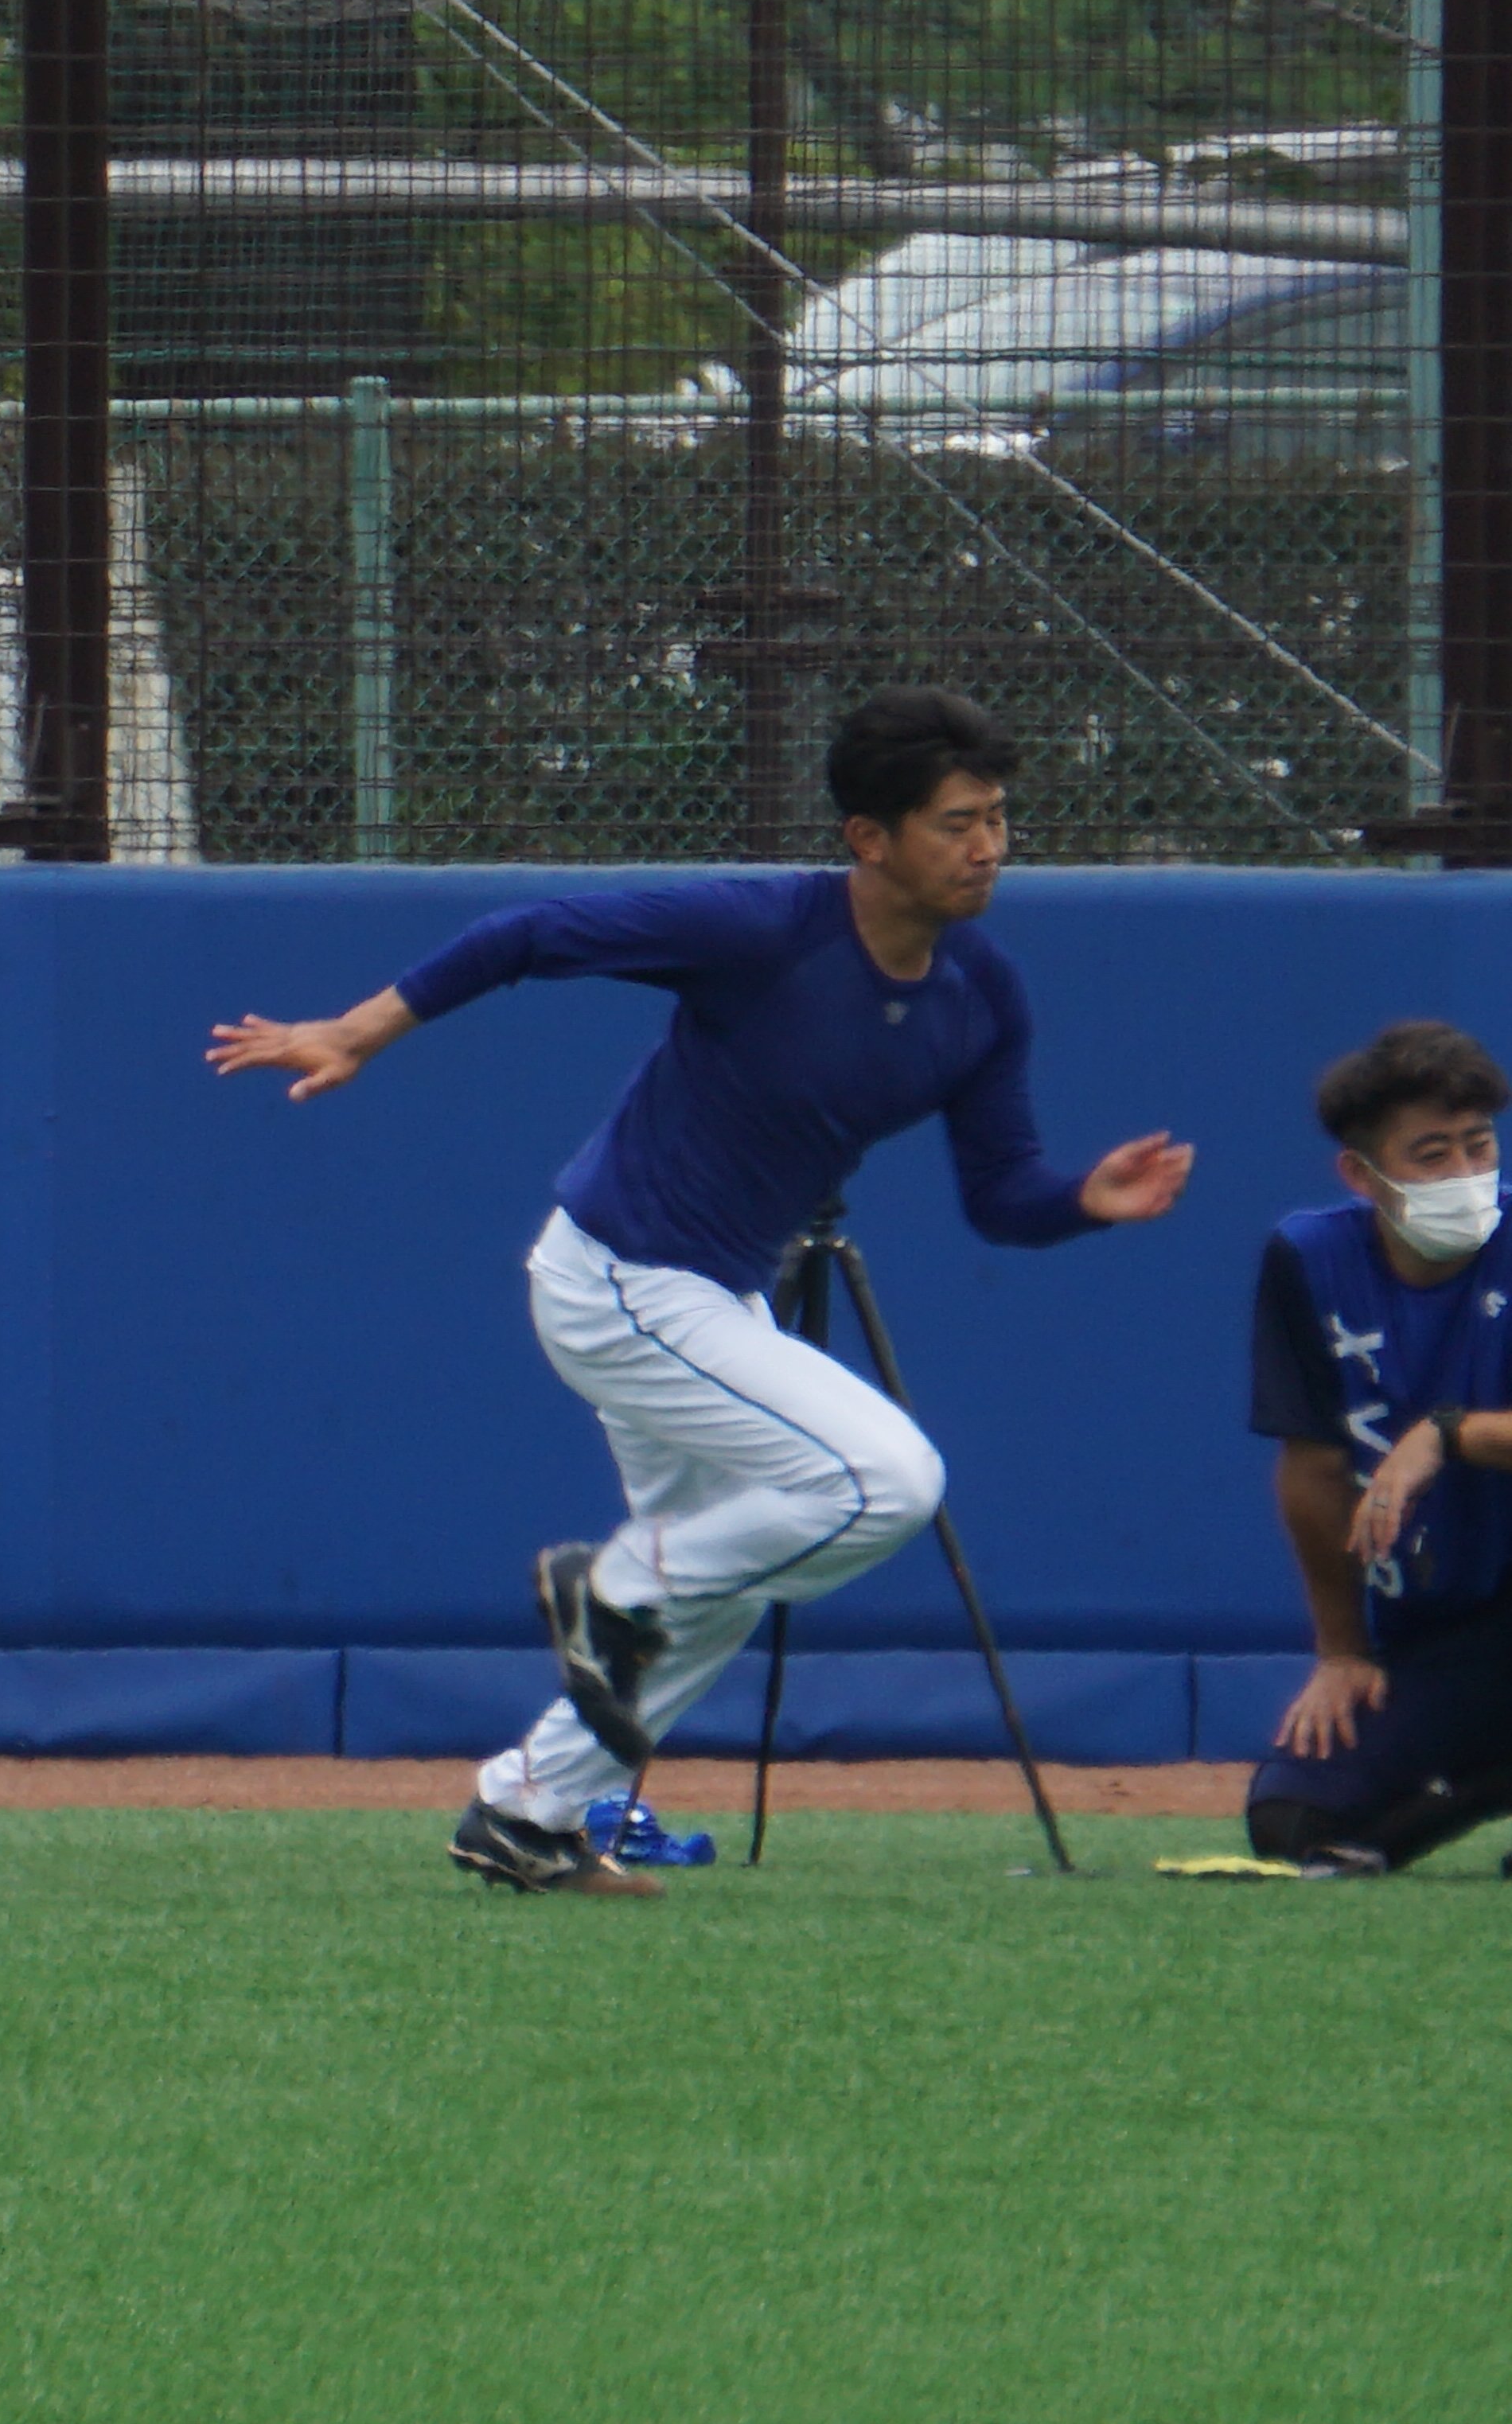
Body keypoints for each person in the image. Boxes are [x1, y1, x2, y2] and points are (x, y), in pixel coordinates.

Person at [208, 688, 1192, 1895]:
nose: (987, 845)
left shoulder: (981, 993)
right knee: (886, 1479)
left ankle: (530, 1812)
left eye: (995, 818)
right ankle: (613, 1585)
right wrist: (358, 1032)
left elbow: (1000, 1193)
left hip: (713, 1301)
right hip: (620, 1278)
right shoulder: (761, 930)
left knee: (723, 1585)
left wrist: (1082, 1201)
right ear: (868, 838)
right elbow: (529, 933)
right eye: (954, 822)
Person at [1244, 1020, 1512, 1873]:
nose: (1467, 1175)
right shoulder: (1307, 1256)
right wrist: (1341, 1650)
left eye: (1479, 1145)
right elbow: (1312, 1467)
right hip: (1446, 1633)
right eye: (1431, 1156)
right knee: (1291, 1816)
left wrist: (1447, 1434)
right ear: (1360, 1175)